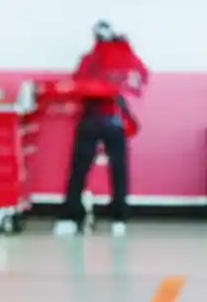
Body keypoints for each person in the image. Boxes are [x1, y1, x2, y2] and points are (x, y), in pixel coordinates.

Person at [56, 20, 149, 237]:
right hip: (113, 122)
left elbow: (76, 85)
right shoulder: (126, 57)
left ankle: (70, 217)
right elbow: (138, 80)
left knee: (79, 171)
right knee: (118, 171)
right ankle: (119, 219)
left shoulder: (89, 59)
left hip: (91, 120)